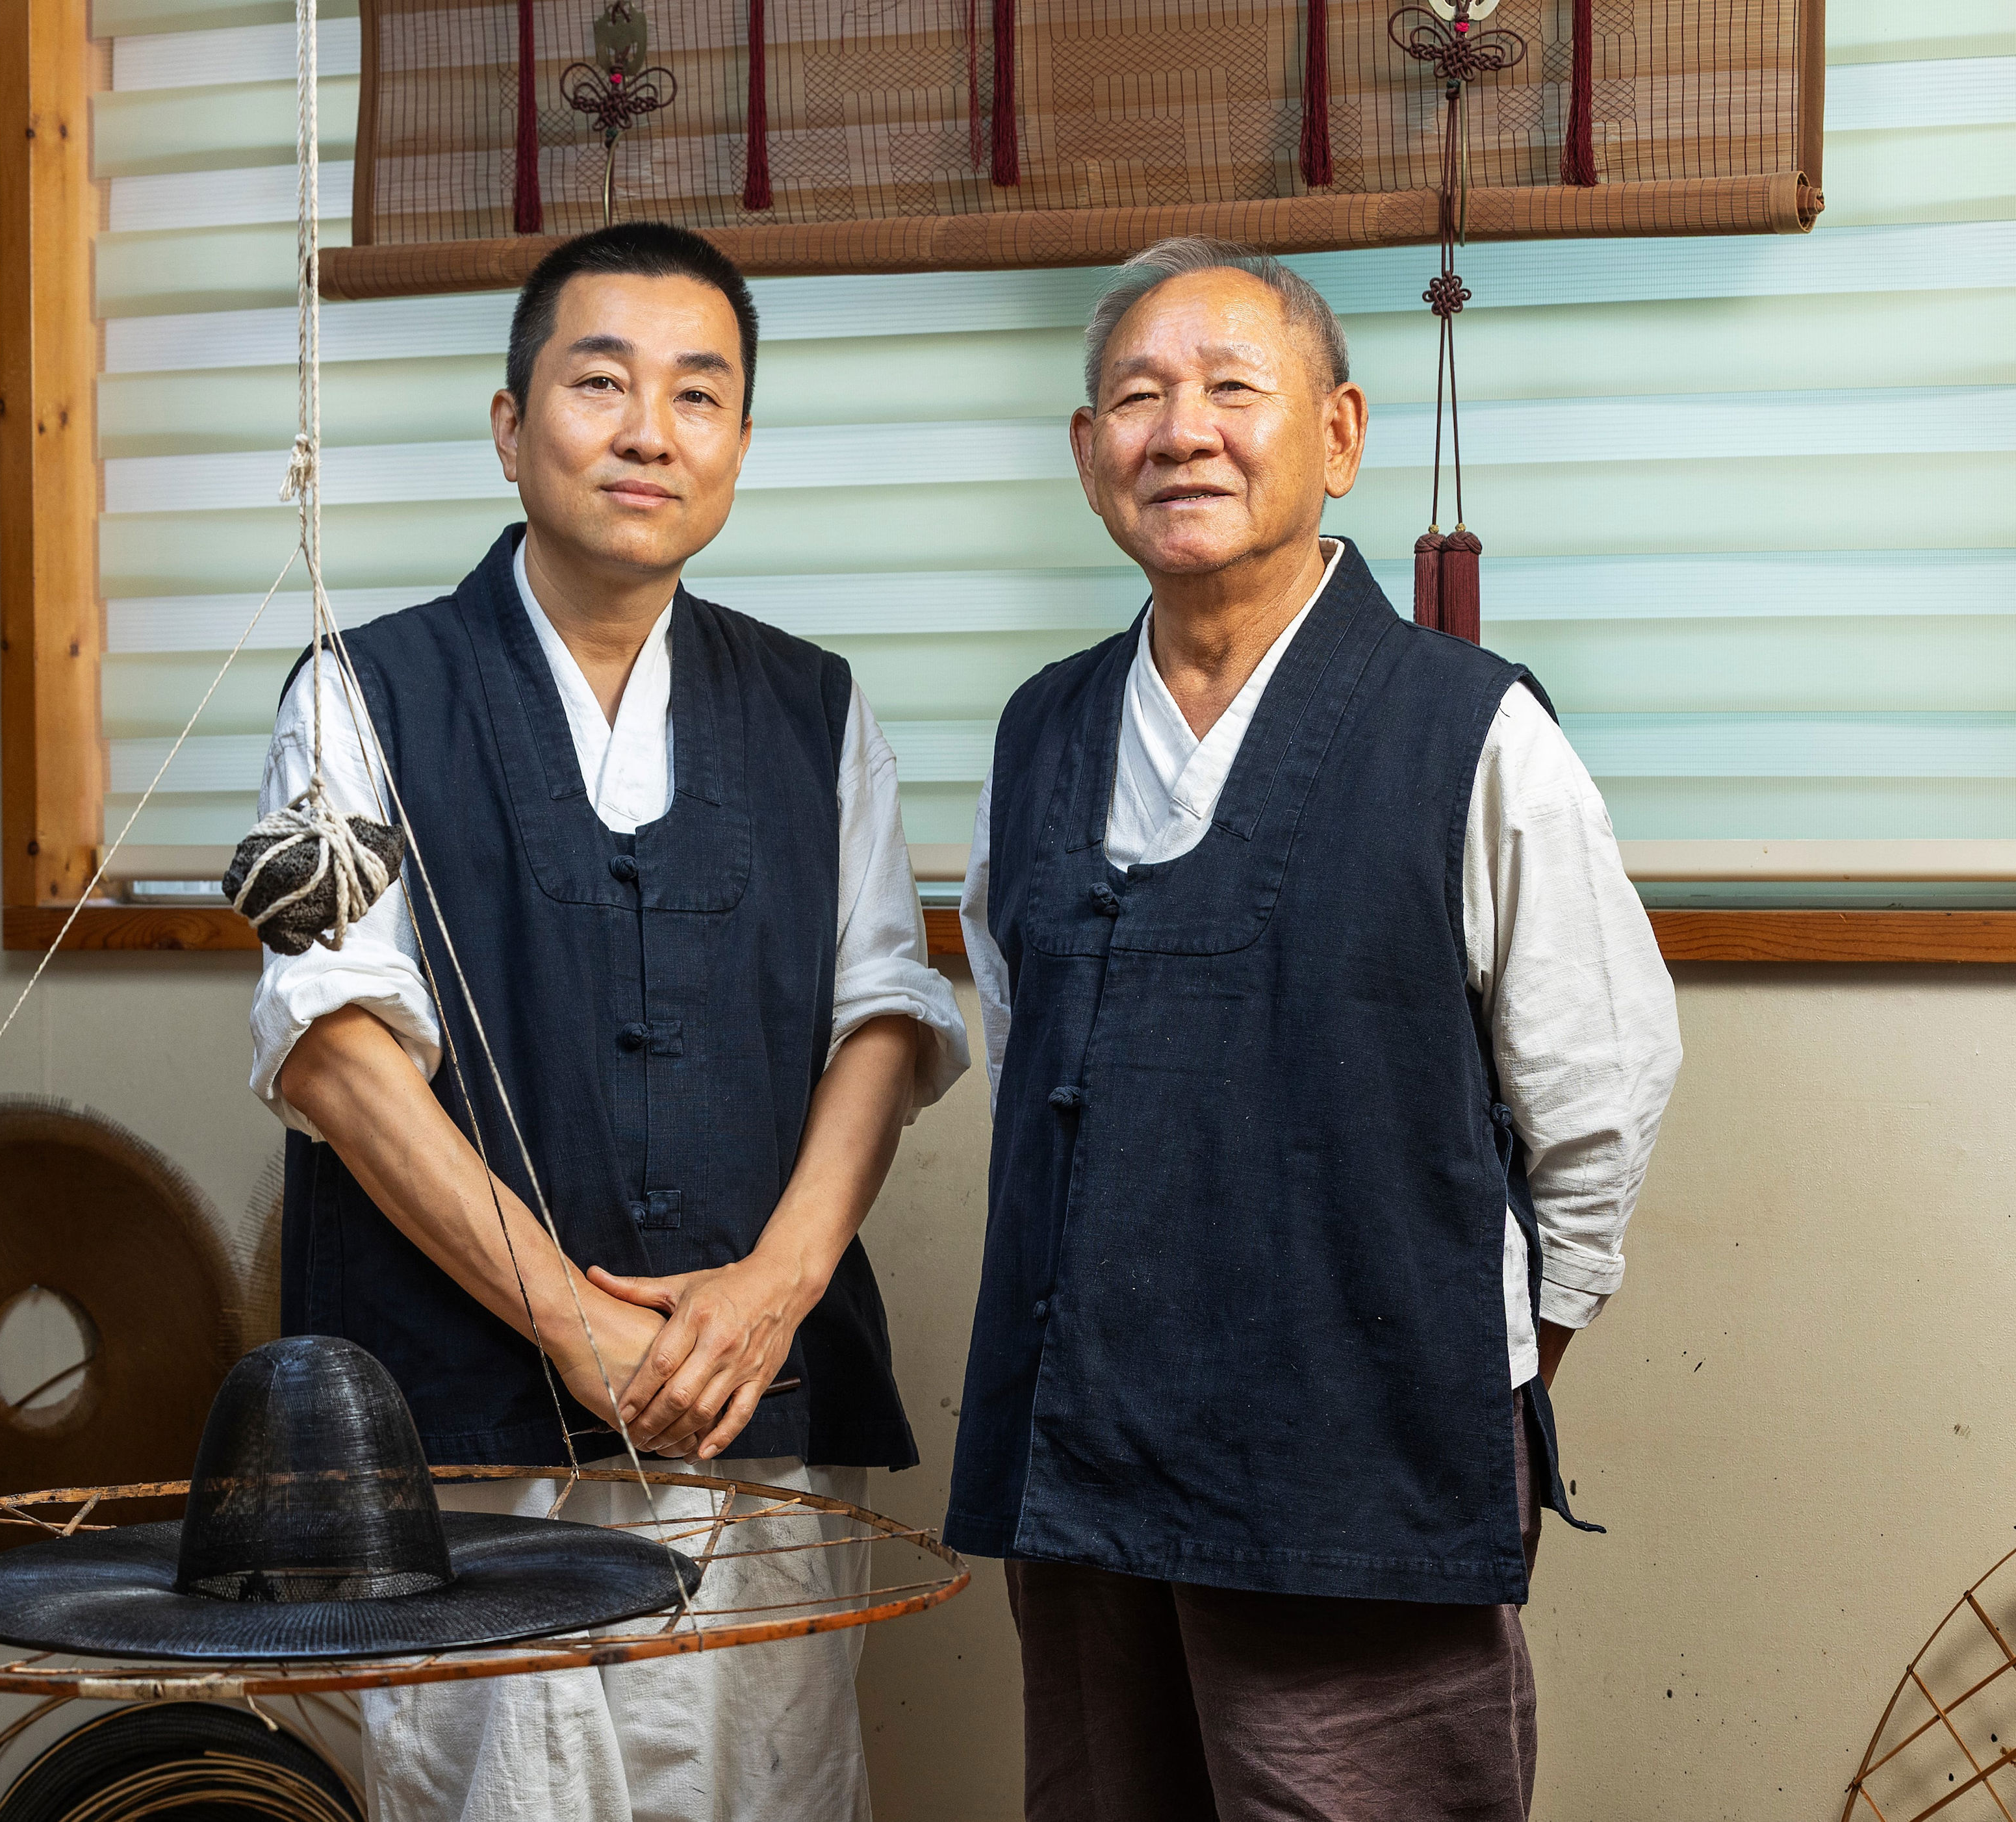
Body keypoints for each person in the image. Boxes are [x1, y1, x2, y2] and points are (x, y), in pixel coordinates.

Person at [949, 236, 1683, 1820]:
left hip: (1362, 1460)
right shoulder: (1039, 732)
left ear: (1340, 436)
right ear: (1088, 453)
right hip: (1081, 1451)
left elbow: (1600, 1092)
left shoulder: (1472, 729)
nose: (1182, 431)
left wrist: (1476, 1377)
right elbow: (1028, 1064)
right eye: (1138, 397)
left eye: (1234, 388)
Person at [249, 220, 968, 1821]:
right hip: (466, 1434)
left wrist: (773, 1292)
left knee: (770, 1790)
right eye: (600, 383)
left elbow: (883, 1017)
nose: (651, 431)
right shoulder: (359, 692)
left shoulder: (818, 705)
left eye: (698, 394)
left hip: (749, 1413)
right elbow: (335, 1051)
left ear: (739, 447)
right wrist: (578, 1329)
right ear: (511, 427)